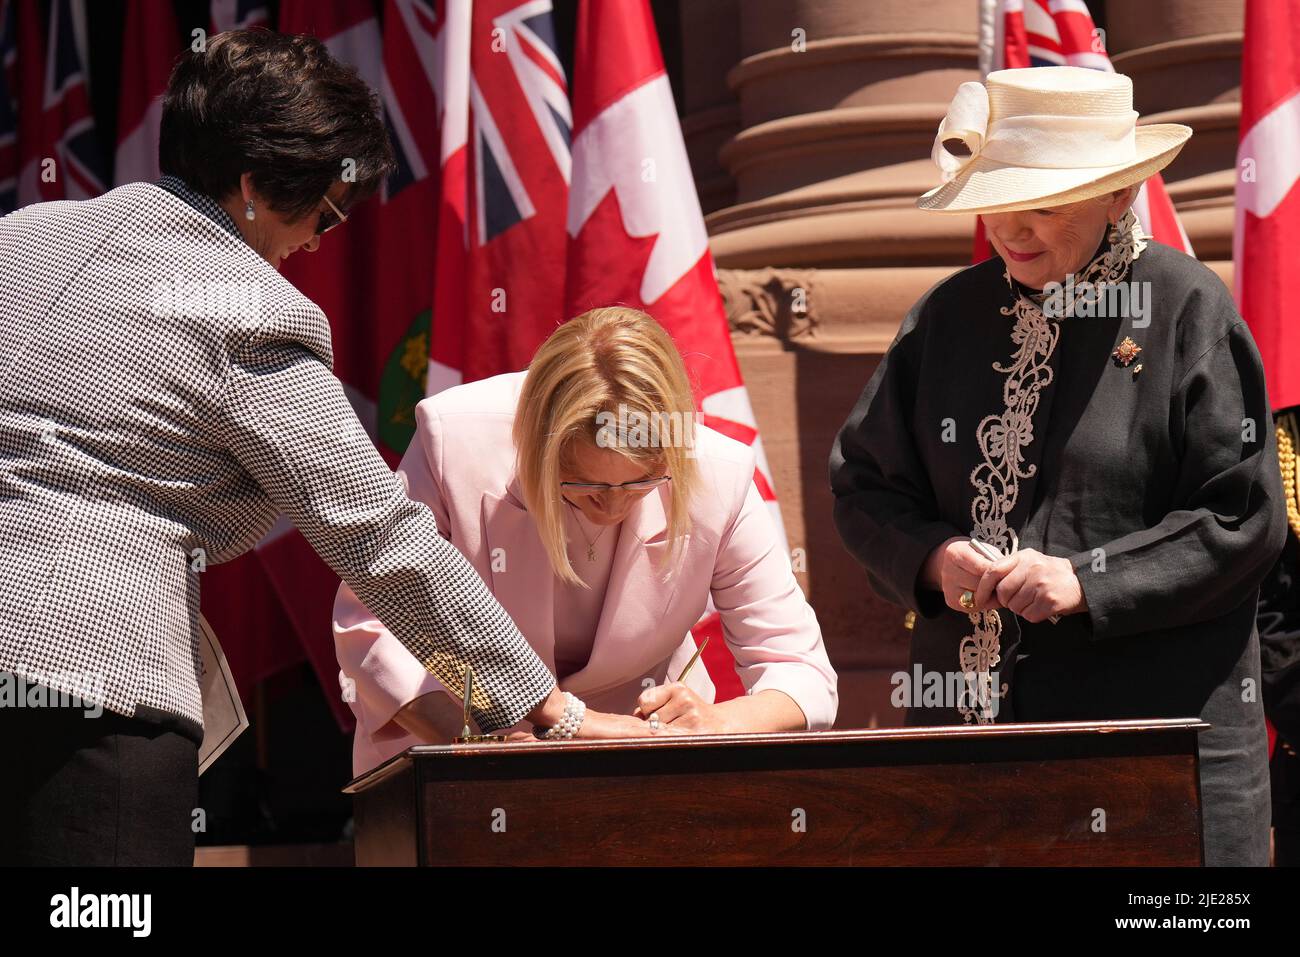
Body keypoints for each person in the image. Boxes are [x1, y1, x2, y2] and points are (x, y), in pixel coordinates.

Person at [0, 30, 616, 867]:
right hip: (91, 688)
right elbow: (377, 536)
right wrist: (542, 708)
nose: (322, 241)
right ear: (252, 187)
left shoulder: (22, 237)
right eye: (322, 212)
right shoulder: (251, 308)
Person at [829, 66, 1286, 866]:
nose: (1010, 228)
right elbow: (865, 487)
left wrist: (1090, 579)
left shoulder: (1188, 308)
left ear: (1119, 196)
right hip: (967, 769)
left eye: (1041, 204)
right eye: (996, 200)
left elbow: (1241, 519)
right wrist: (933, 558)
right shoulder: (947, 317)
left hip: (1155, 766)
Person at [335, 306, 838, 774]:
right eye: (586, 484)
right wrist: (476, 741)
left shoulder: (718, 473)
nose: (615, 506)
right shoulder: (455, 441)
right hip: (452, 752)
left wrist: (717, 723)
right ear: (538, 449)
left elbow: (800, 670)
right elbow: (371, 625)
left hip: (643, 768)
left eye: (642, 481)